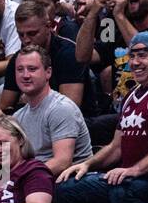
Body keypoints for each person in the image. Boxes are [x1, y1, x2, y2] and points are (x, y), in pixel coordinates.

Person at [59, 30, 148, 203]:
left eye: (143, 55)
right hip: (130, 178)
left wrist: (134, 170)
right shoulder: (131, 96)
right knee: (68, 189)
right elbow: (116, 147)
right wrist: (86, 164)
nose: (135, 62)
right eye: (132, 56)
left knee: (122, 190)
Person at [7, 45, 92, 175]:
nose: (25, 75)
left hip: (69, 180)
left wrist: (18, 179)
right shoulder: (18, 117)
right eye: (20, 69)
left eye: (32, 69)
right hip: (36, 178)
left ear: (48, 72)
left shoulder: (61, 108)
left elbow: (62, 162)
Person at [0, 1, 87, 116]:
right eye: (21, 35)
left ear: (48, 27)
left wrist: (32, 102)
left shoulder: (68, 53)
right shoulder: (18, 58)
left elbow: (69, 111)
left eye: (32, 33)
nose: (26, 40)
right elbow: (0, 109)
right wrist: (3, 118)